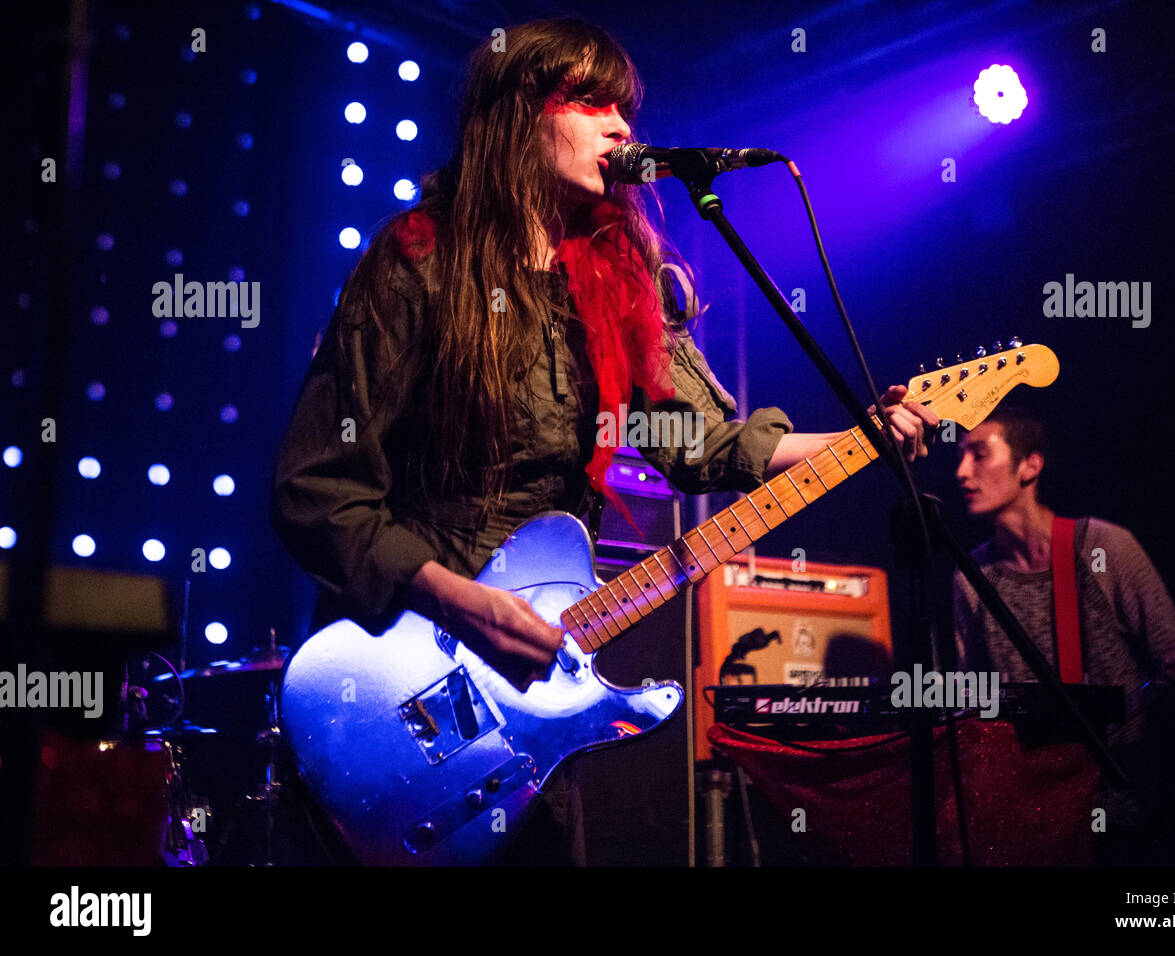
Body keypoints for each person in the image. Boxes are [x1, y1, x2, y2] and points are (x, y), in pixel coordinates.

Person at [269, 17, 936, 862]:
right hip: (399, 673)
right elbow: (314, 489)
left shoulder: (623, 274)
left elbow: (698, 442)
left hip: (526, 712)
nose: (622, 126)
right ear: (517, 115)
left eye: (624, 106)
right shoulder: (418, 263)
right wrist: (460, 599)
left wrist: (859, 439)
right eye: (588, 101)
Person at [950, 406, 1175, 860]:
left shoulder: (1106, 548)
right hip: (1024, 821)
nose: (961, 472)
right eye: (960, 456)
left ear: (1030, 465)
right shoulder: (970, 577)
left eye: (979, 454)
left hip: (1120, 813)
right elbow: (968, 707)